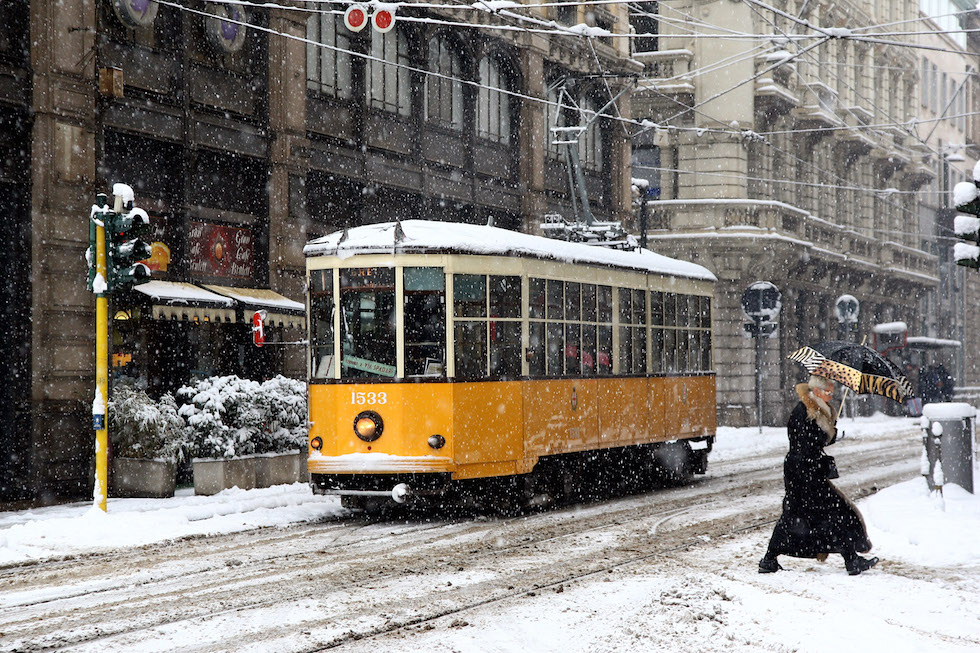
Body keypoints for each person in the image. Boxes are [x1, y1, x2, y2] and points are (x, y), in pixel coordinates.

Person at [759, 374, 879, 576]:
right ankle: (851, 560)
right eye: (828, 392)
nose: (831, 396)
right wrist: (822, 438)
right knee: (828, 512)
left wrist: (827, 434)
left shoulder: (818, 410)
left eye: (832, 392)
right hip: (802, 473)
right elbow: (803, 442)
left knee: (801, 516)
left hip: (807, 471)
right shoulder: (805, 411)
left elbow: (814, 441)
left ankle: (769, 559)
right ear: (816, 391)